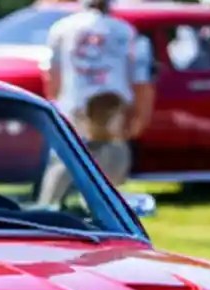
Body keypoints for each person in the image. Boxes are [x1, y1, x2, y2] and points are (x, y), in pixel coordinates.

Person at [37, 0, 154, 205]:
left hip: (73, 105)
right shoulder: (125, 31)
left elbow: (51, 74)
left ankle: (48, 211)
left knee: (63, 164)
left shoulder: (62, 28)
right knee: (110, 174)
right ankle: (103, 216)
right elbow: (140, 79)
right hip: (112, 107)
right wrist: (139, 116)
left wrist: (54, 103)